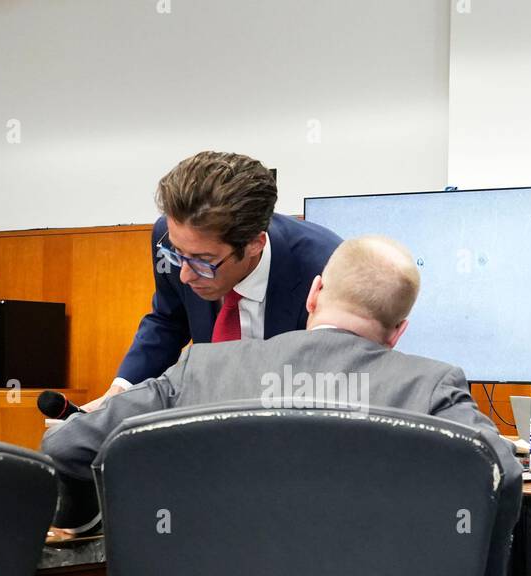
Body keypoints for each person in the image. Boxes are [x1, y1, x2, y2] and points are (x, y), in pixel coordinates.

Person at [45, 236, 523, 576]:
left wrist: (84, 518)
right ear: (399, 331)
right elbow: (501, 474)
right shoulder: (432, 388)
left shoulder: (204, 367)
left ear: (314, 295)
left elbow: (66, 447)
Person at [84, 150, 342, 411]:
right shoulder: (172, 236)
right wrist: (121, 390)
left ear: (255, 244)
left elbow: (336, 373)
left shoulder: (324, 266)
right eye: (177, 254)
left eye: (202, 260)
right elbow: (169, 320)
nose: (184, 275)